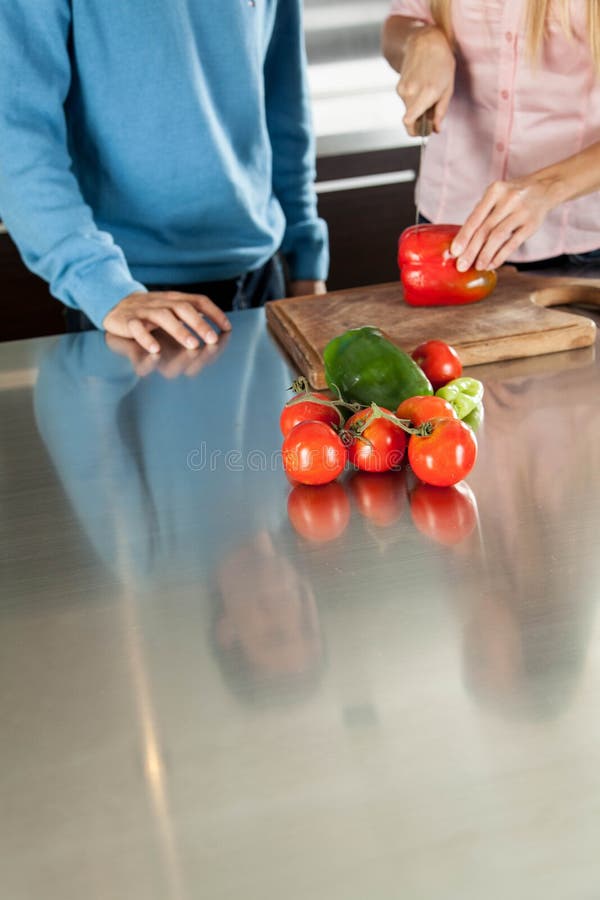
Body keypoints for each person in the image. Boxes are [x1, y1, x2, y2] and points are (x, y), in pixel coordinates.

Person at [0, 1, 328, 353]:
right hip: (132, 301)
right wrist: (100, 284)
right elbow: (15, 132)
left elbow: (282, 96)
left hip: (266, 279)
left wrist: (304, 254)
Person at [382, 1, 600, 274]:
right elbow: (400, 23)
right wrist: (419, 38)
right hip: (448, 226)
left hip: (584, 246)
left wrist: (549, 187)